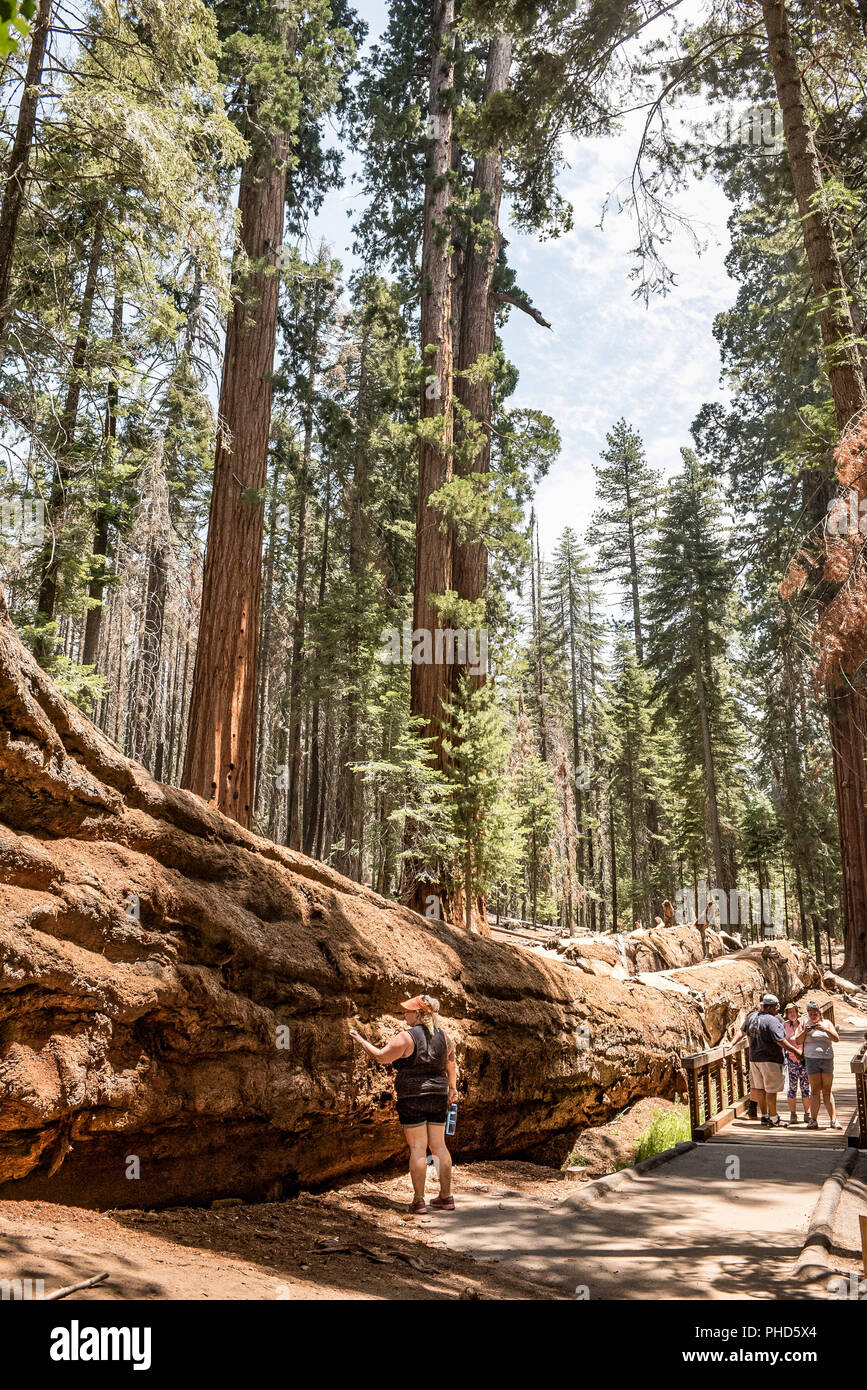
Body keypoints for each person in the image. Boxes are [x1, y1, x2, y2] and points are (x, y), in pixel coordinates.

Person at [349, 993, 458, 1214]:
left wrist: (360, 1040)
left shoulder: (407, 1037)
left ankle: (419, 1201)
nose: (404, 1015)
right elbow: (451, 1064)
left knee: (418, 1147)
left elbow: (382, 1057)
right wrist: (453, 1088)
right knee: (439, 1146)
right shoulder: (444, 1036)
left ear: (417, 1014)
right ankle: (446, 1197)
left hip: (413, 1096)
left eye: (407, 1011)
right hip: (438, 1095)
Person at [730, 992, 802, 1127]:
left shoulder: (752, 1017)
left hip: (754, 1059)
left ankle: (764, 1116)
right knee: (771, 1090)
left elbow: (742, 1031)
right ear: (769, 1007)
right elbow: (780, 1040)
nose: (777, 1009)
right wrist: (795, 1051)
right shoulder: (772, 1020)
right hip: (770, 1059)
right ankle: (774, 1118)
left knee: (760, 1088)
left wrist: (732, 1043)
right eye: (776, 1006)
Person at [793, 1002, 842, 1131]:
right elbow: (798, 1041)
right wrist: (805, 1031)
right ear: (808, 1014)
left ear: (820, 1013)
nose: (813, 1016)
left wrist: (824, 1029)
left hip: (827, 1059)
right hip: (811, 1059)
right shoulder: (804, 1024)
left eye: (815, 1013)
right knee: (814, 1090)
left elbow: (836, 1038)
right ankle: (813, 1120)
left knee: (827, 1089)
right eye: (811, 1014)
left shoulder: (827, 1023)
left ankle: (833, 1120)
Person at [782, 1003, 811, 1124]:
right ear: (786, 1014)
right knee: (792, 1088)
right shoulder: (784, 1025)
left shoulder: (803, 1024)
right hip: (791, 1060)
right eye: (790, 1012)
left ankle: (807, 1114)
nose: (792, 1014)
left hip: (804, 1060)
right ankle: (793, 1114)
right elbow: (780, 1040)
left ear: (797, 1012)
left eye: (794, 1011)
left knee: (805, 1088)